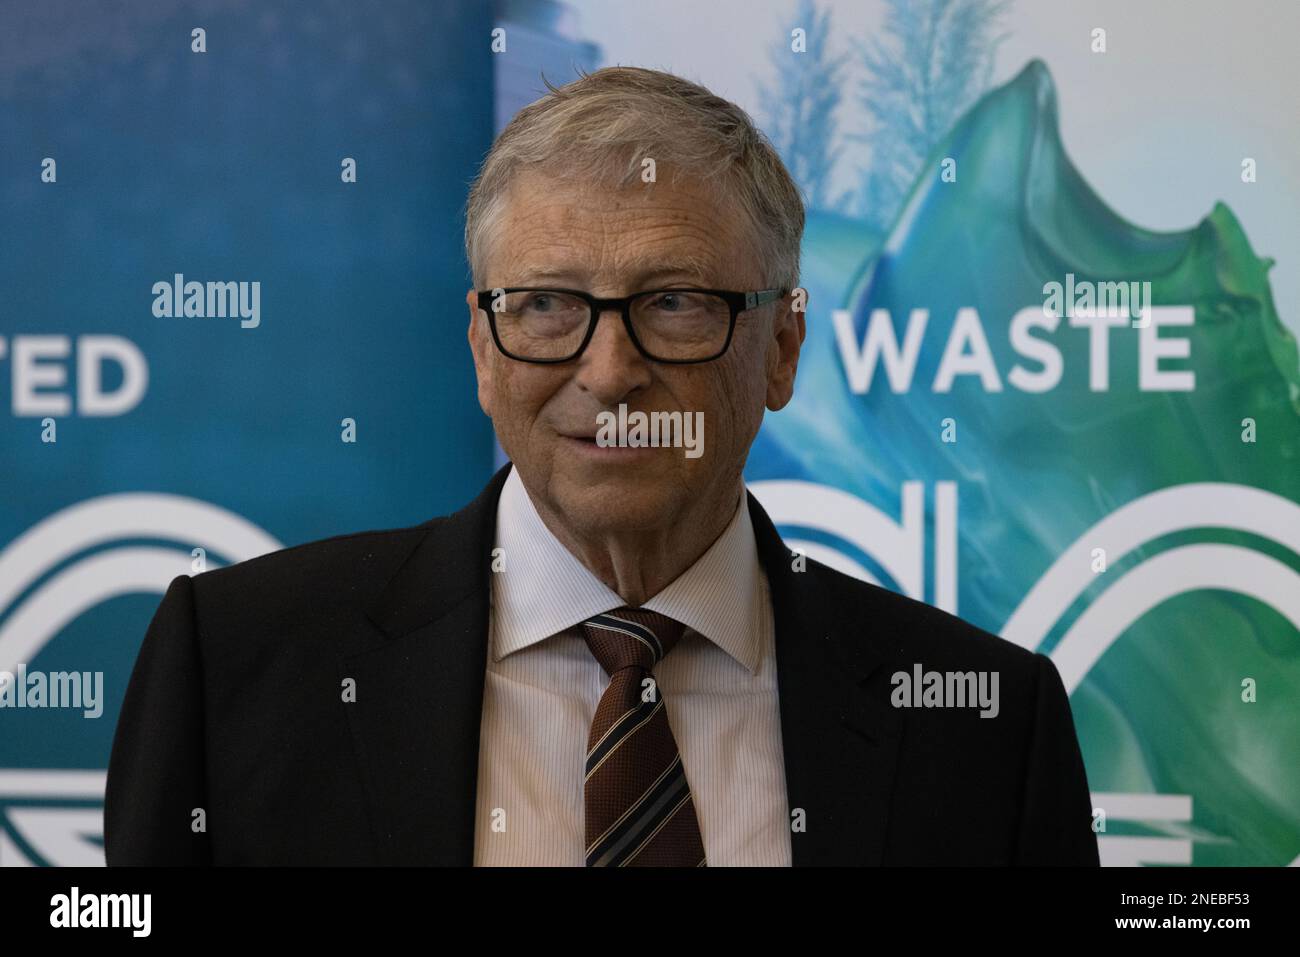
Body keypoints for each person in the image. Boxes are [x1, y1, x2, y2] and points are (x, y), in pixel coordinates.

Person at [105, 65, 1099, 866]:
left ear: (783, 351)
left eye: (675, 303)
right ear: (483, 351)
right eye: (546, 305)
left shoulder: (985, 724)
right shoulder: (238, 669)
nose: (611, 372)